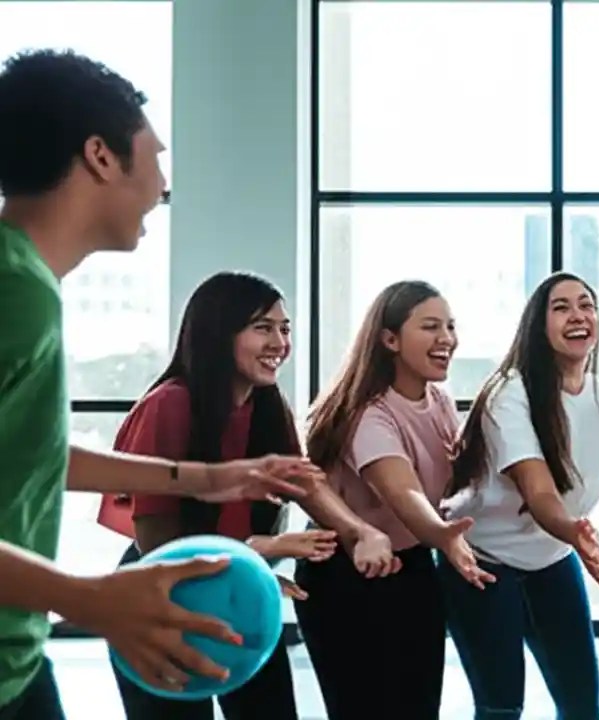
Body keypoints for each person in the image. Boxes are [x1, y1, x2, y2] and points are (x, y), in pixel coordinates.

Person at [0, 49, 318, 720]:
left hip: (17, 657)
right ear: (101, 155)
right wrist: (90, 597)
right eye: (158, 154)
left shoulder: (29, 284)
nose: (164, 180)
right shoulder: (13, 293)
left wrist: (201, 479)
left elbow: (31, 455)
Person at [96, 272, 401, 720]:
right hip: (159, 601)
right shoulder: (171, 403)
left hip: (235, 588)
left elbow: (305, 481)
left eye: (285, 328)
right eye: (262, 328)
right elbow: (156, 547)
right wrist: (260, 554)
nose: (279, 342)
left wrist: (359, 532)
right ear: (219, 333)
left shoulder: (266, 404)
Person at [300, 280, 496, 719]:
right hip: (345, 575)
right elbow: (403, 490)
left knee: (418, 708)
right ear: (389, 339)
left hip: (410, 569)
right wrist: (441, 534)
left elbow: (452, 479)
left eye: (450, 326)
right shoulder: (369, 413)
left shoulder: (440, 401)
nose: (446, 338)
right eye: (430, 327)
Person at [441, 271, 599, 719]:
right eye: (561, 307)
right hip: (484, 562)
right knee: (502, 706)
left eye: (586, 304)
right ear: (537, 326)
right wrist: (577, 533)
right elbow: (538, 489)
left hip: (551, 559)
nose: (578, 315)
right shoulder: (511, 391)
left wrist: (573, 537)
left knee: (582, 705)